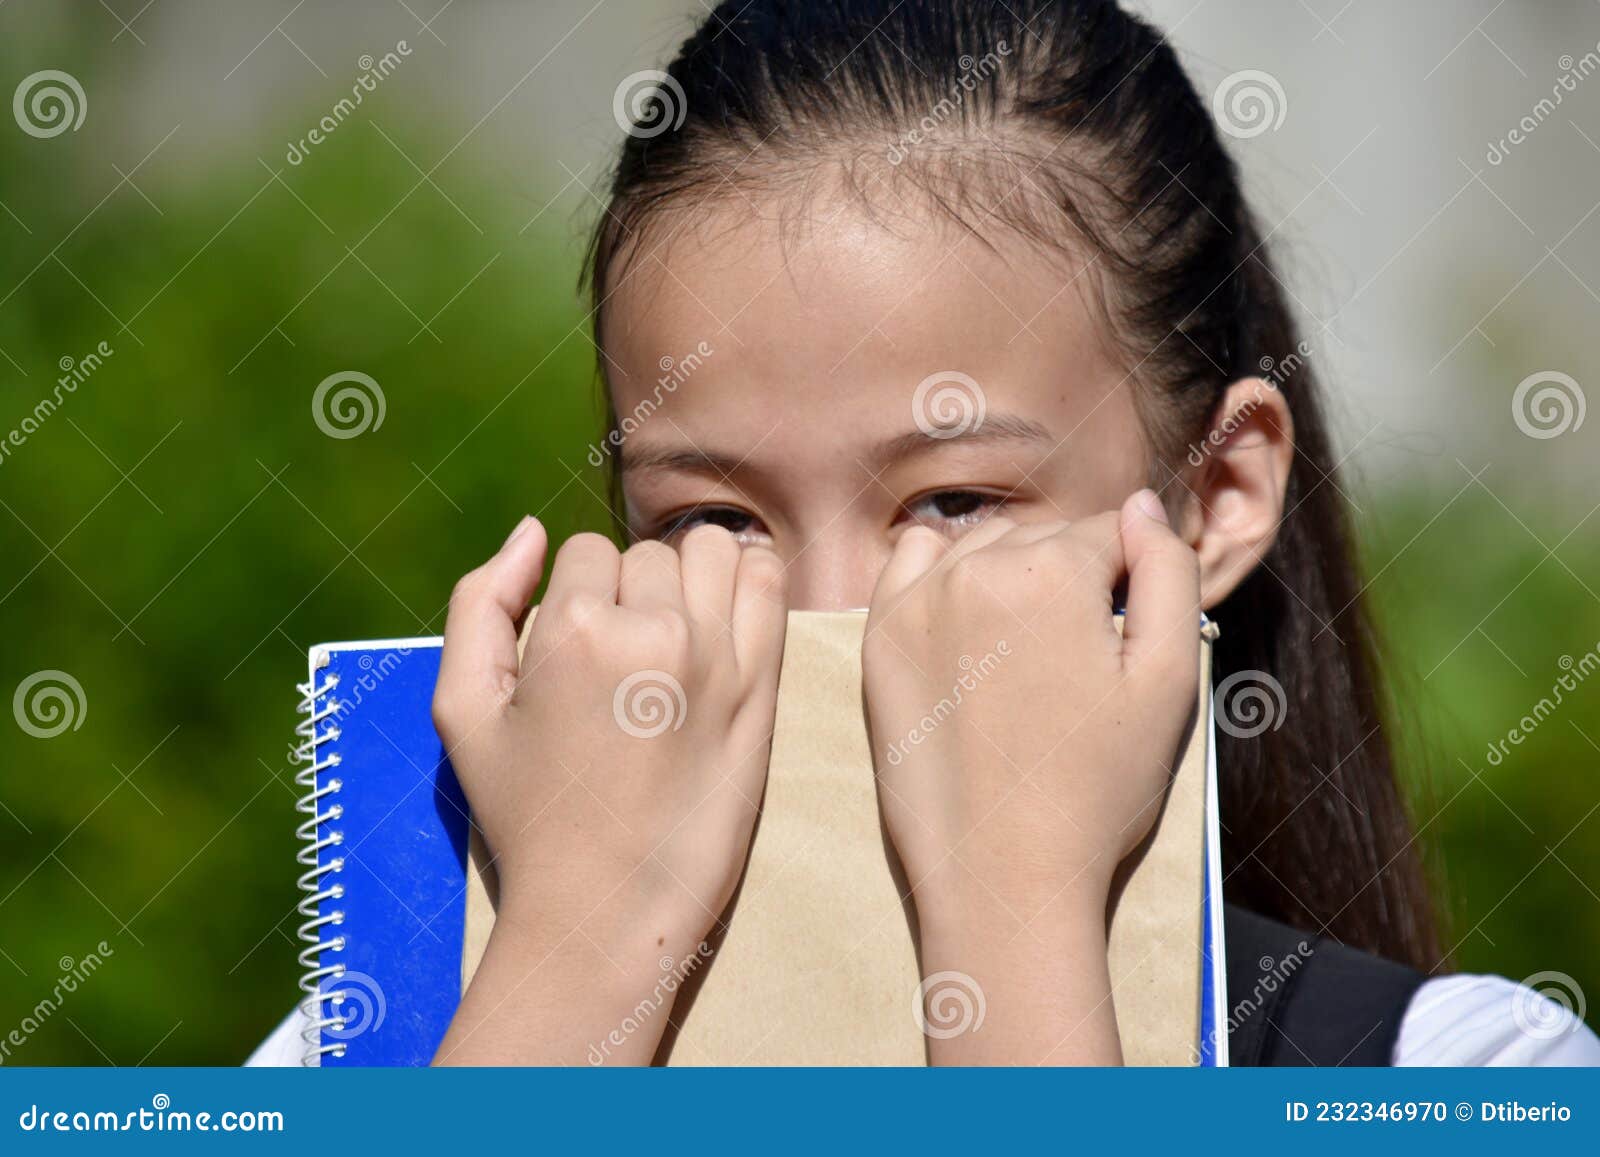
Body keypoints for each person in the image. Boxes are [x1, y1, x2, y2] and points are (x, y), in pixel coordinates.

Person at [251, 0, 1599, 1067]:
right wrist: (575, 963)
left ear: (1216, 498)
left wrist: (1011, 930)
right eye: (716, 517)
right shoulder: (362, 1049)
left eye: (954, 501)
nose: (841, 612)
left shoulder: (1453, 1065)